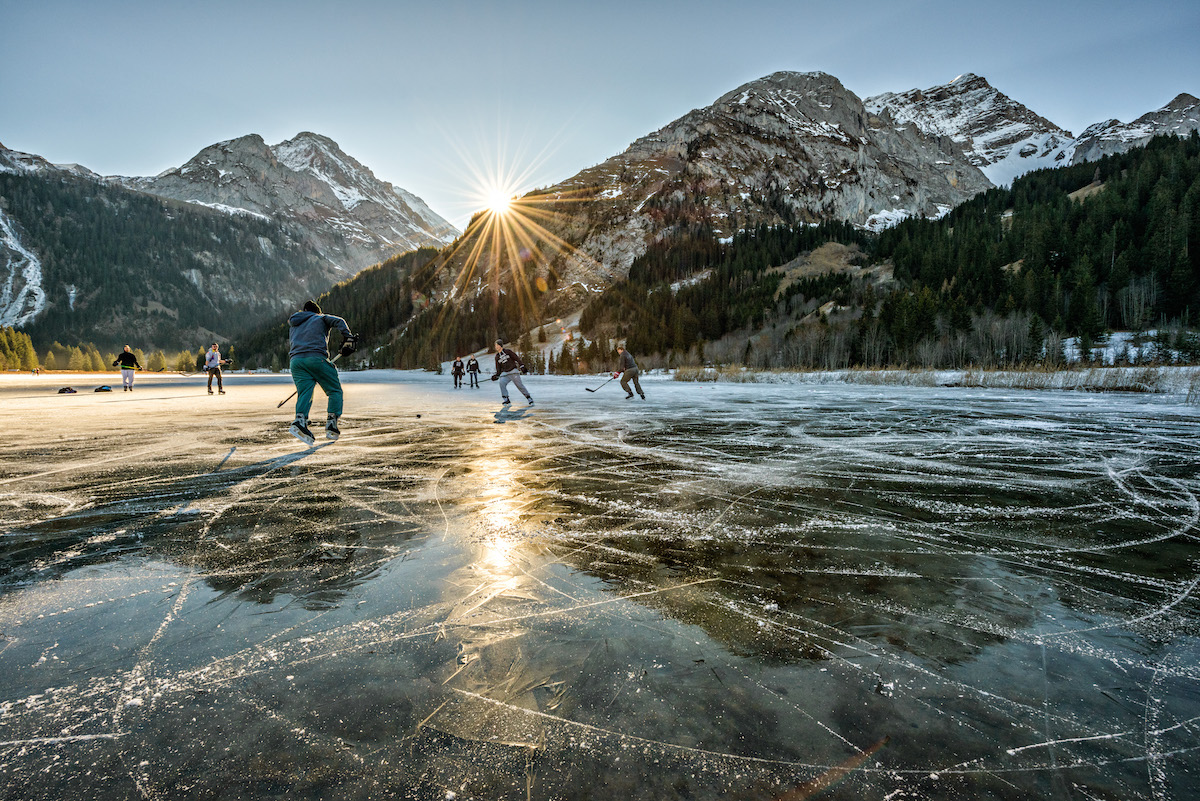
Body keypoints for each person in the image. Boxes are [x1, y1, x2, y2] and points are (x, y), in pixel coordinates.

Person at [287, 299, 356, 445]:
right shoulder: (320, 317)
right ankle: (332, 424)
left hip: (296, 362)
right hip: (316, 359)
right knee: (334, 391)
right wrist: (348, 337)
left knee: (305, 392)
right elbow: (339, 321)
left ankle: (300, 421)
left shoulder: (295, 323)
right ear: (317, 311)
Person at [491, 339, 533, 406]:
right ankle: (506, 399)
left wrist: (522, 366)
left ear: (500, 345)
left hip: (513, 371)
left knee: (519, 385)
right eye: (495, 345)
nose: (495, 347)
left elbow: (517, 358)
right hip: (505, 374)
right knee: (501, 382)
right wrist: (496, 375)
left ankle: (528, 397)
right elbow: (498, 369)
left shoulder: (508, 351)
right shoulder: (497, 357)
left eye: (496, 345)